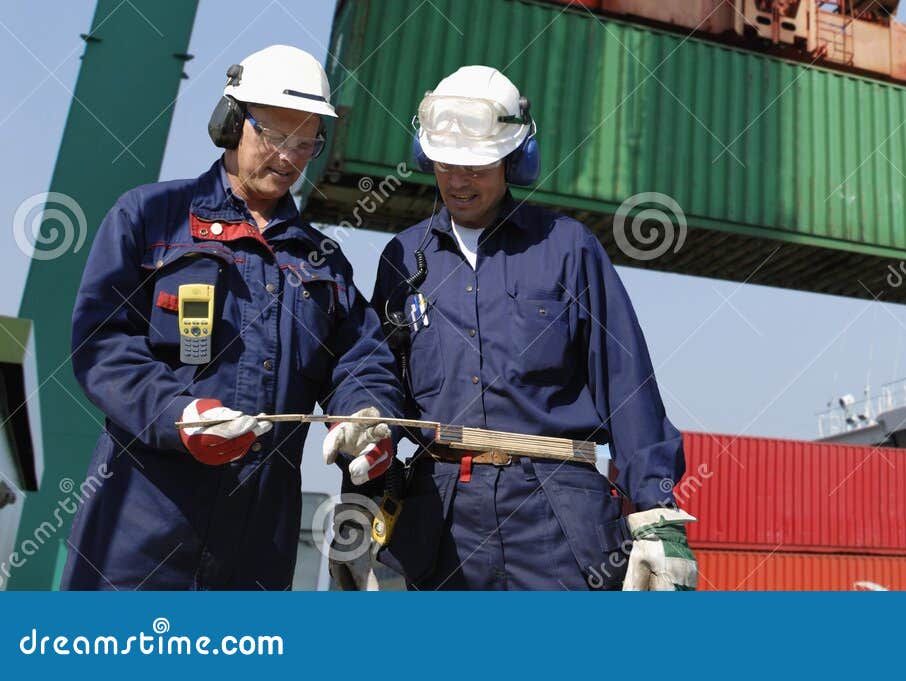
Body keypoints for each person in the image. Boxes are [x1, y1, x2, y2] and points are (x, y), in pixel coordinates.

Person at [61, 45, 405, 590]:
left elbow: (360, 361)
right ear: (230, 123)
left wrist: (367, 416)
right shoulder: (150, 218)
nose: (289, 157)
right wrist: (177, 413)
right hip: (138, 533)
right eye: (274, 135)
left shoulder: (322, 263)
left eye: (306, 142)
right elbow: (102, 345)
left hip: (255, 550)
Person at [372, 65, 695, 590]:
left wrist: (657, 513)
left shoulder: (568, 249)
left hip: (557, 516)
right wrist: (361, 477)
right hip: (439, 515)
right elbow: (376, 375)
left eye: (476, 167)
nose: (458, 181)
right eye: (446, 164)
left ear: (515, 159)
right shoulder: (402, 258)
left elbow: (626, 380)